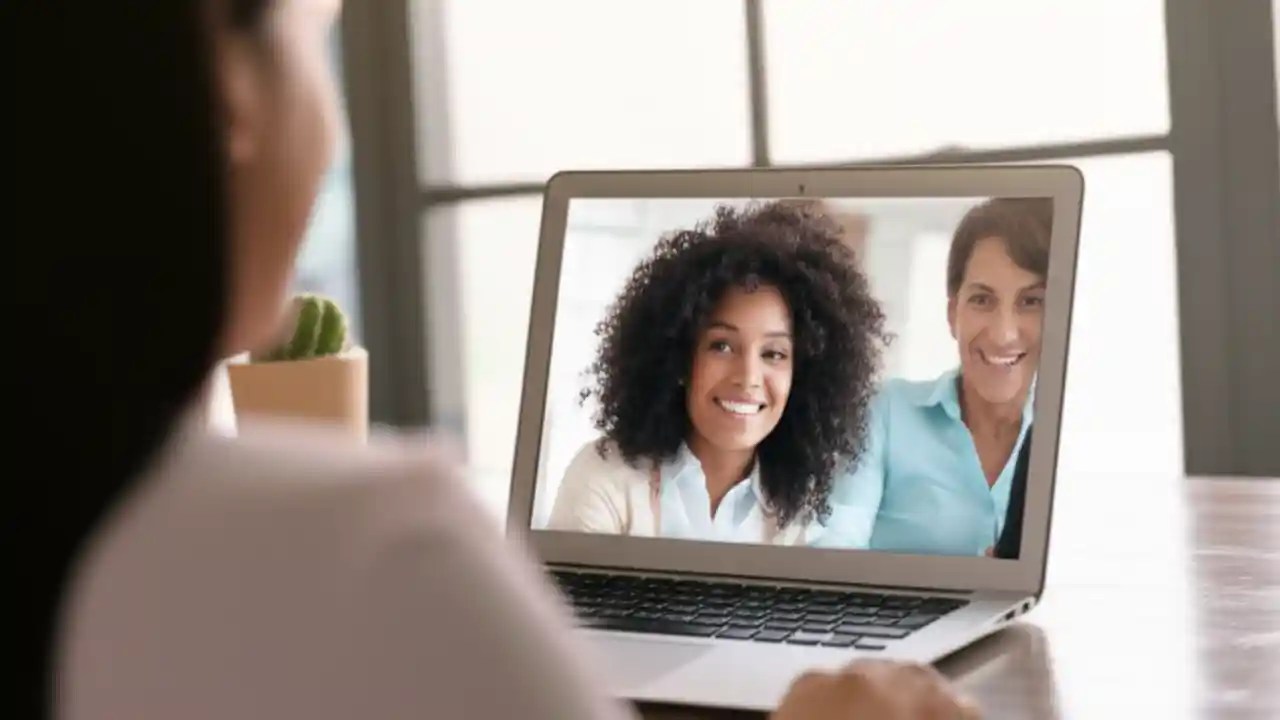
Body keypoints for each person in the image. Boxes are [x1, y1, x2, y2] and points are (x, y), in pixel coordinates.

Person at [12, 1, 981, 718]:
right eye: (317, 39)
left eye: (776, 353)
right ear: (234, 98)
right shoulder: (376, 552)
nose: (749, 376)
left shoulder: (800, 499)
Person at [548, 201, 890, 545]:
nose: (748, 377)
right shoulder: (606, 478)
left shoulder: (806, 514)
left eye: (773, 354)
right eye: (722, 346)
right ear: (680, 357)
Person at [818, 198, 1052, 557]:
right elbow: (835, 546)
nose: (1003, 334)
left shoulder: (1073, 441)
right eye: (982, 300)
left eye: (1031, 301)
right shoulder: (886, 412)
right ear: (952, 313)